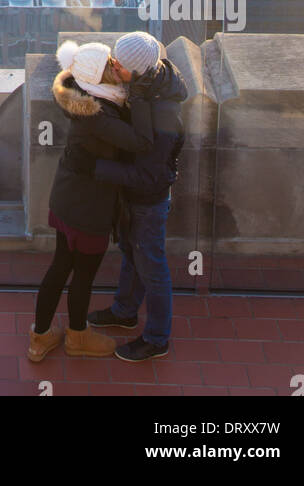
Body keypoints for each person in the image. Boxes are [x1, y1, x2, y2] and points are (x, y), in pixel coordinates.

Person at [28, 39, 154, 362]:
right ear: (96, 80)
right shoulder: (100, 116)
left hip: (66, 199)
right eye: (110, 65)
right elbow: (141, 142)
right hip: (89, 210)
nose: (116, 68)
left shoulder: (83, 101)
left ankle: (39, 338)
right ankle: (78, 336)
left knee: (59, 267)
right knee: (82, 274)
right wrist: (139, 91)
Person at [85, 31, 188, 362]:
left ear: (139, 71)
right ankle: (125, 311)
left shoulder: (163, 112)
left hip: (148, 200)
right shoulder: (145, 90)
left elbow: (151, 174)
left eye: (119, 65)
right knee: (133, 254)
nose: (113, 68)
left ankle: (158, 339)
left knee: (152, 267)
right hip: (135, 197)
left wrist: (99, 170)